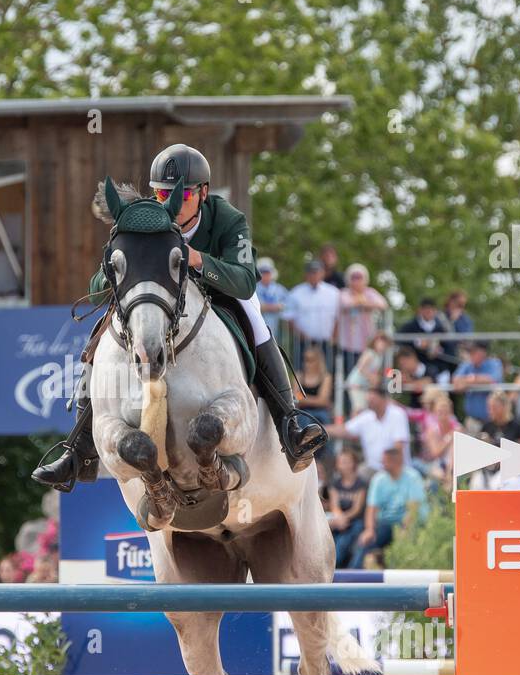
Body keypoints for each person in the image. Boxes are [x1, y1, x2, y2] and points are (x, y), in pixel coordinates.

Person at [33, 144, 327, 490]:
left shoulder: (228, 219)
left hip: (221, 295)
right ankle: (79, 446)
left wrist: (198, 260)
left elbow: (246, 281)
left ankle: (289, 421)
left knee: (253, 315)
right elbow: (99, 286)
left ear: (203, 193)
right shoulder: (144, 220)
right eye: (161, 193)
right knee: (102, 330)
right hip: (163, 303)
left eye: (182, 193)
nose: (170, 201)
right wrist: (114, 269)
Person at [351, 445, 427, 569]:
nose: (382, 463)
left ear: (396, 462)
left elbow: (413, 509)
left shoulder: (413, 477)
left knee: (403, 544)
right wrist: (369, 529)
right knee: (365, 542)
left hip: (410, 524)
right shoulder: (378, 479)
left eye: (385, 461)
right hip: (386, 523)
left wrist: (405, 529)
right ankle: (351, 579)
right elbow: (371, 508)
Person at [327, 386, 412, 471]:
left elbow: (398, 446)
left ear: (383, 398)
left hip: (396, 468)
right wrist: (320, 429)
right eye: (368, 399)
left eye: (372, 399)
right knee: (360, 472)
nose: (369, 401)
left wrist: (387, 465)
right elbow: (344, 430)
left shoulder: (397, 414)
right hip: (372, 469)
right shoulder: (366, 416)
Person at [335, 264, 389, 375]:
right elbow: (346, 304)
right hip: (348, 346)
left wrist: (361, 302)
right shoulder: (344, 293)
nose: (357, 282)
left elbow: (383, 304)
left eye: (359, 278)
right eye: (354, 278)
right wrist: (365, 303)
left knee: (366, 376)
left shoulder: (370, 292)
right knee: (349, 376)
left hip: (368, 344)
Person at [281, 259, 338, 362]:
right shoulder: (295, 293)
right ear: (306, 274)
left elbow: (338, 317)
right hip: (302, 342)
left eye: (316, 272)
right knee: (300, 373)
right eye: (311, 272)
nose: (314, 275)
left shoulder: (333, 293)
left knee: (327, 375)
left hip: (326, 343)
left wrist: (334, 337)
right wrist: (301, 335)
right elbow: (289, 318)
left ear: (322, 273)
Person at [326, 449, 368, 568]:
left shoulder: (361, 483)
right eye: (340, 461)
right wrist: (339, 518)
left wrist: (344, 518)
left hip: (354, 520)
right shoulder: (335, 483)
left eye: (346, 461)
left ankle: (337, 564)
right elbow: (334, 506)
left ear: (353, 463)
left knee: (343, 542)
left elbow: (356, 509)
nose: (343, 464)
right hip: (339, 520)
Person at [397, 297, 453, 376]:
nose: (429, 312)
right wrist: (417, 343)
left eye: (431, 309)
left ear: (435, 311)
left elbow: (450, 348)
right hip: (415, 366)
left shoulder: (441, 328)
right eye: (426, 309)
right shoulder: (410, 326)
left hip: (437, 366)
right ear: (420, 310)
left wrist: (439, 350)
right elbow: (399, 340)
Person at [452, 342, 503, 427]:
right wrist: (477, 380)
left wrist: (470, 380)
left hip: (492, 421)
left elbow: (493, 380)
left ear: (483, 352)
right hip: (472, 421)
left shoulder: (494, 363)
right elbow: (455, 381)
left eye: (473, 351)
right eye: (470, 352)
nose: (470, 354)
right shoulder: (467, 365)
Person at [296, 344, 333, 425]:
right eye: (305, 359)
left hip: (320, 413)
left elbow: (323, 401)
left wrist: (303, 399)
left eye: (311, 360)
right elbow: (295, 398)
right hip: (302, 412)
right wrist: (316, 400)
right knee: (304, 418)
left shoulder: (326, 377)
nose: (307, 363)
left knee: (313, 420)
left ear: (318, 361)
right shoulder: (299, 376)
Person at [255, 258, 288, 336]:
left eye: (267, 272)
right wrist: (275, 307)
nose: (265, 275)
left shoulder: (280, 289)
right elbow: (256, 306)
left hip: (277, 328)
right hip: (258, 328)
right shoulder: (254, 289)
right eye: (262, 272)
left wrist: (266, 307)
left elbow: (287, 306)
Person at [440, 290, 474, 363]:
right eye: (458, 304)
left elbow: (468, 337)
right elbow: (444, 336)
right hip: (445, 351)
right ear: (451, 302)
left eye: (462, 305)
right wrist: (452, 321)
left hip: (462, 351)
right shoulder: (441, 316)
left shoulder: (465, 319)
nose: (460, 308)